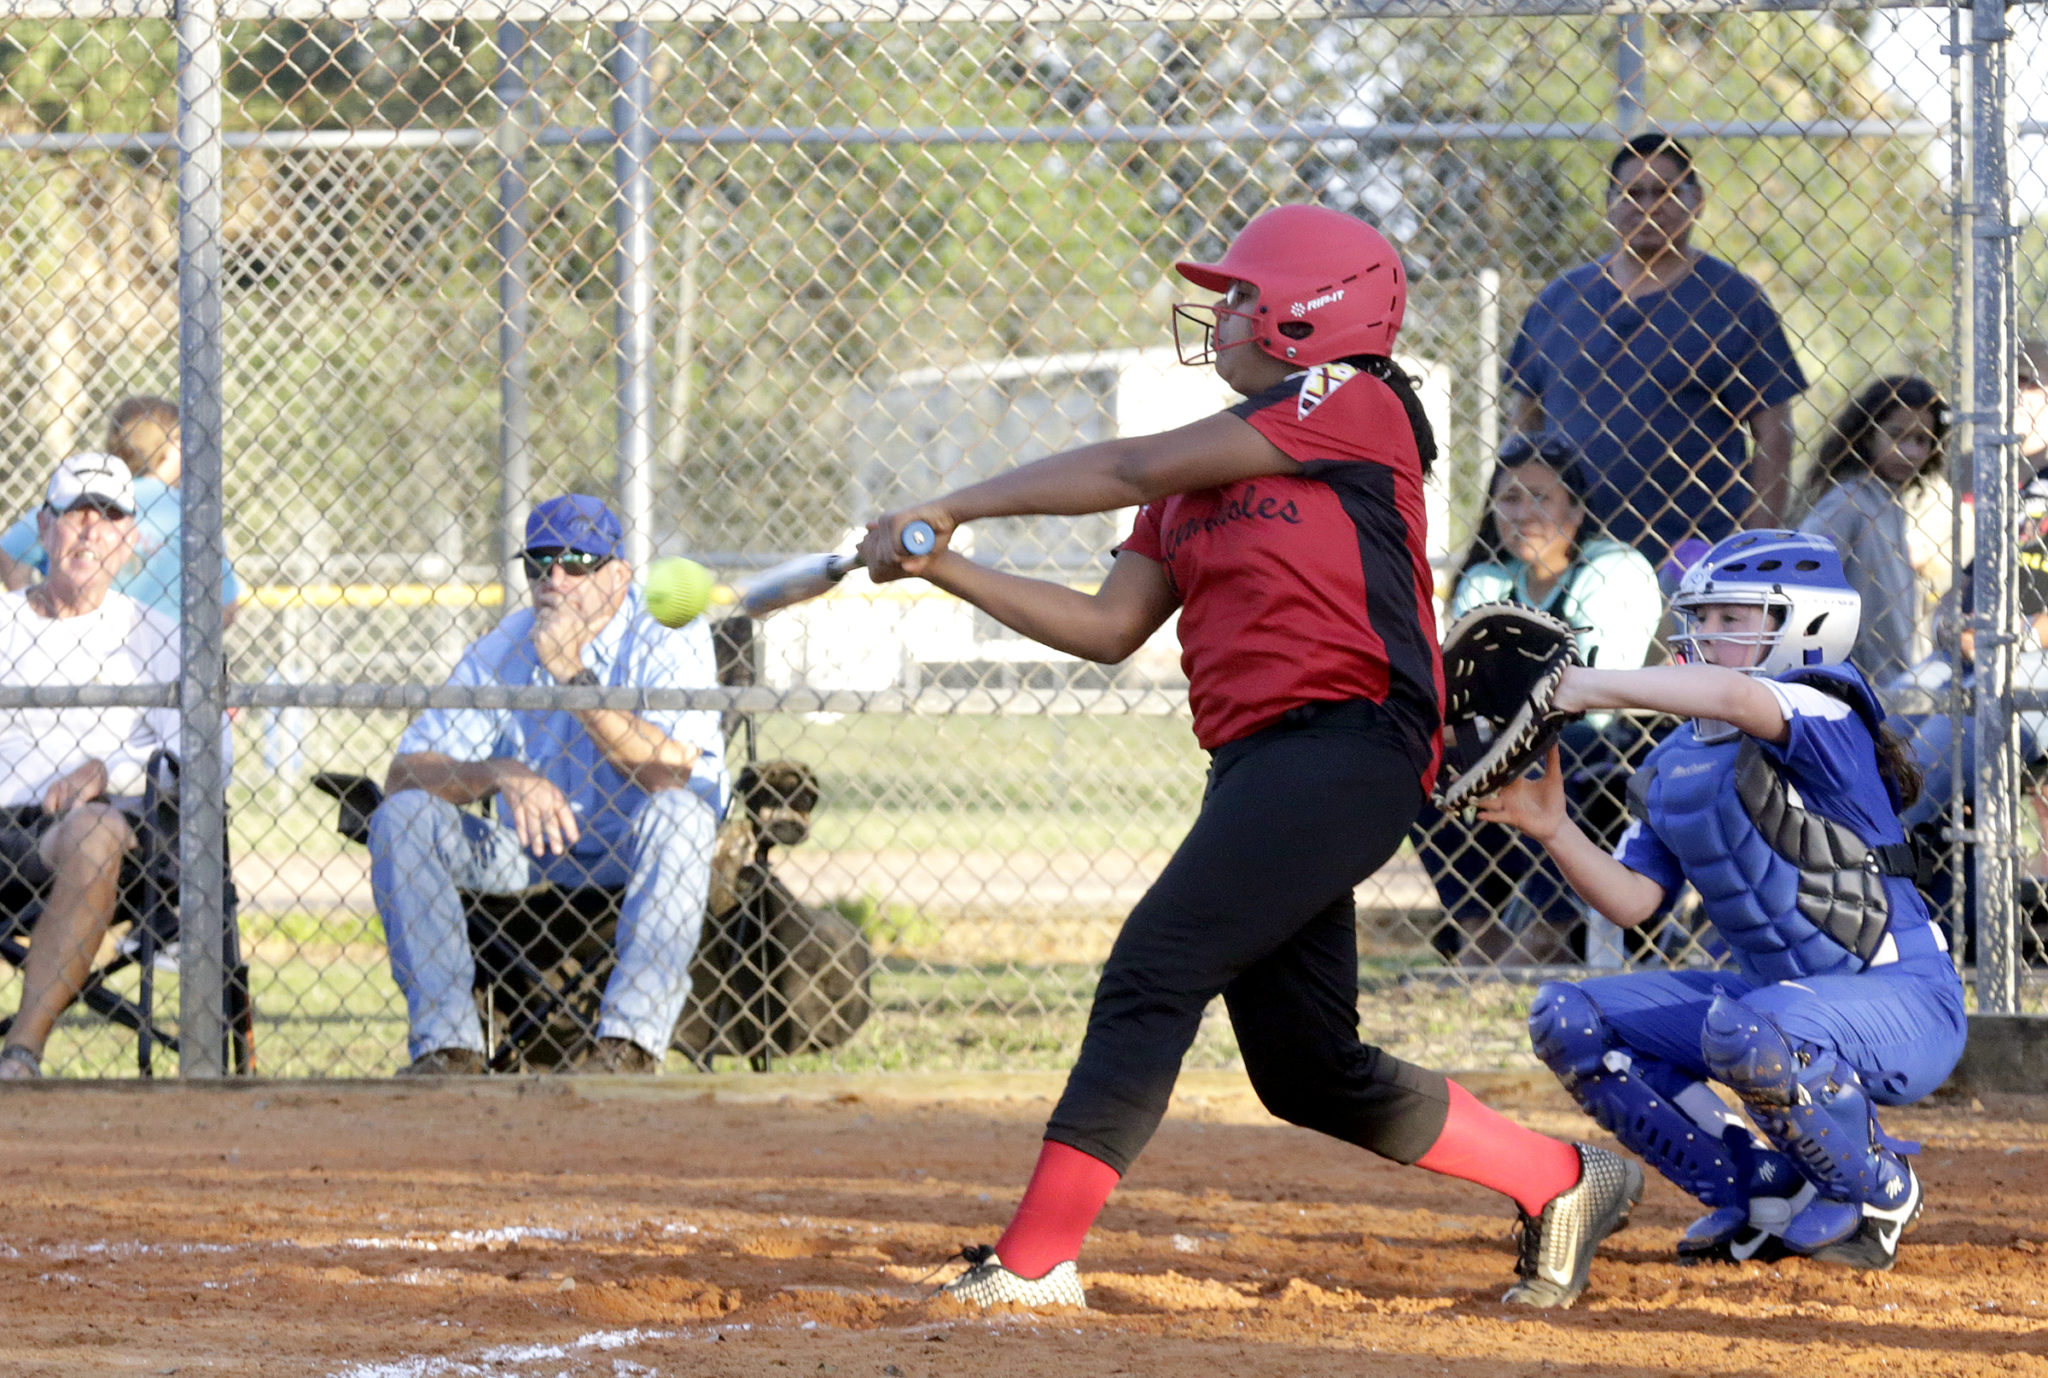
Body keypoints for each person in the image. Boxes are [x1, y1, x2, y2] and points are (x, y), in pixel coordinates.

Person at [858, 205, 1641, 1311]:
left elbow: (1128, 459)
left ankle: (1030, 1262)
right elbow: (1105, 627)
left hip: (1352, 742)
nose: (1219, 312)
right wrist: (945, 564)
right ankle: (1560, 1178)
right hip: (1258, 768)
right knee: (1305, 1067)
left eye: (1237, 292)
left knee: (1154, 967)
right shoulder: (1186, 488)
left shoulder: (1353, 401)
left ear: (1307, 311)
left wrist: (951, 505)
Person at [1478, 529, 1965, 1270]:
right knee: (1570, 1018)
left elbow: (1737, 696)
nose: (1705, 632)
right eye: (1701, 616)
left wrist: (1579, 685)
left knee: (1750, 1025)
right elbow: (1637, 902)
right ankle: (1761, 1193)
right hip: (1772, 1009)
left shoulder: (1823, 708)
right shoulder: (1673, 761)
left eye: (1732, 619)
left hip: (1904, 1003)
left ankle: (1876, 1188)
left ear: (1804, 624)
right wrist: (1554, 829)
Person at [368, 495, 729, 1076]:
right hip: (533, 853)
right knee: (403, 816)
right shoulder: (506, 646)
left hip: (635, 847)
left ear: (618, 575)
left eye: (577, 561)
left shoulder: (666, 631)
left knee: (682, 815)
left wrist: (570, 674)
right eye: (538, 564)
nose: (553, 580)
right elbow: (403, 775)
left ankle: (628, 1049)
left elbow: (672, 774)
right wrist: (499, 773)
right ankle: (449, 1048)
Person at [1412, 434, 1661, 964]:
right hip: (1508, 737)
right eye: (1509, 498)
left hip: (1600, 743)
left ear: (1575, 507)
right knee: (1424, 754)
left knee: (1561, 747)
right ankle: (1479, 935)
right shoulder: (1486, 579)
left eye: (1541, 497)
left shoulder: (1615, 568)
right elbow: (1461, 690)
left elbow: (1594, 690)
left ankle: (1546, 935)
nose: (1522, 512)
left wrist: (1504, 700)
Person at [1505, 133, 1808, 567]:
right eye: (1632, 193)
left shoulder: (1735, 302)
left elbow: (1774, 436)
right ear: (1610, 204)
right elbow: (1524, 424)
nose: (1648, 204)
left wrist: (1753, 553)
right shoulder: (1560, 301)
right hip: (1572, 560)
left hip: (1693, 561)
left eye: (1665, 191)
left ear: (1697, 200)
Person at [0, 455, 180, 1080]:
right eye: (76, 515)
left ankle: (20, 1054)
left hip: (86, 833)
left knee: (96, 831)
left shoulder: (155, 634)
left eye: (108, 518)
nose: (90, 531)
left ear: (129, 539)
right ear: (44, 529)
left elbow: (208, 760)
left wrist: (115, 771)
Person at [0, 396, 243, 629]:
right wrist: (176, 640)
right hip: (151, 655)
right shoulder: (189, 513)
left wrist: (35, 616)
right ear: (170, 446)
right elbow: (227, 606)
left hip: (73, 638)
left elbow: (9, 551)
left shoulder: (78, 499)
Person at [1798, 375, 1949, 686]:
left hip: (1896, 677)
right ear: (1868, 436)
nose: (1909, 451)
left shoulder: (1891, 500)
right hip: (1856, 677)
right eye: (1896, 435)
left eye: (1921, 441)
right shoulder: (1849, 501)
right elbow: (1801, 569)